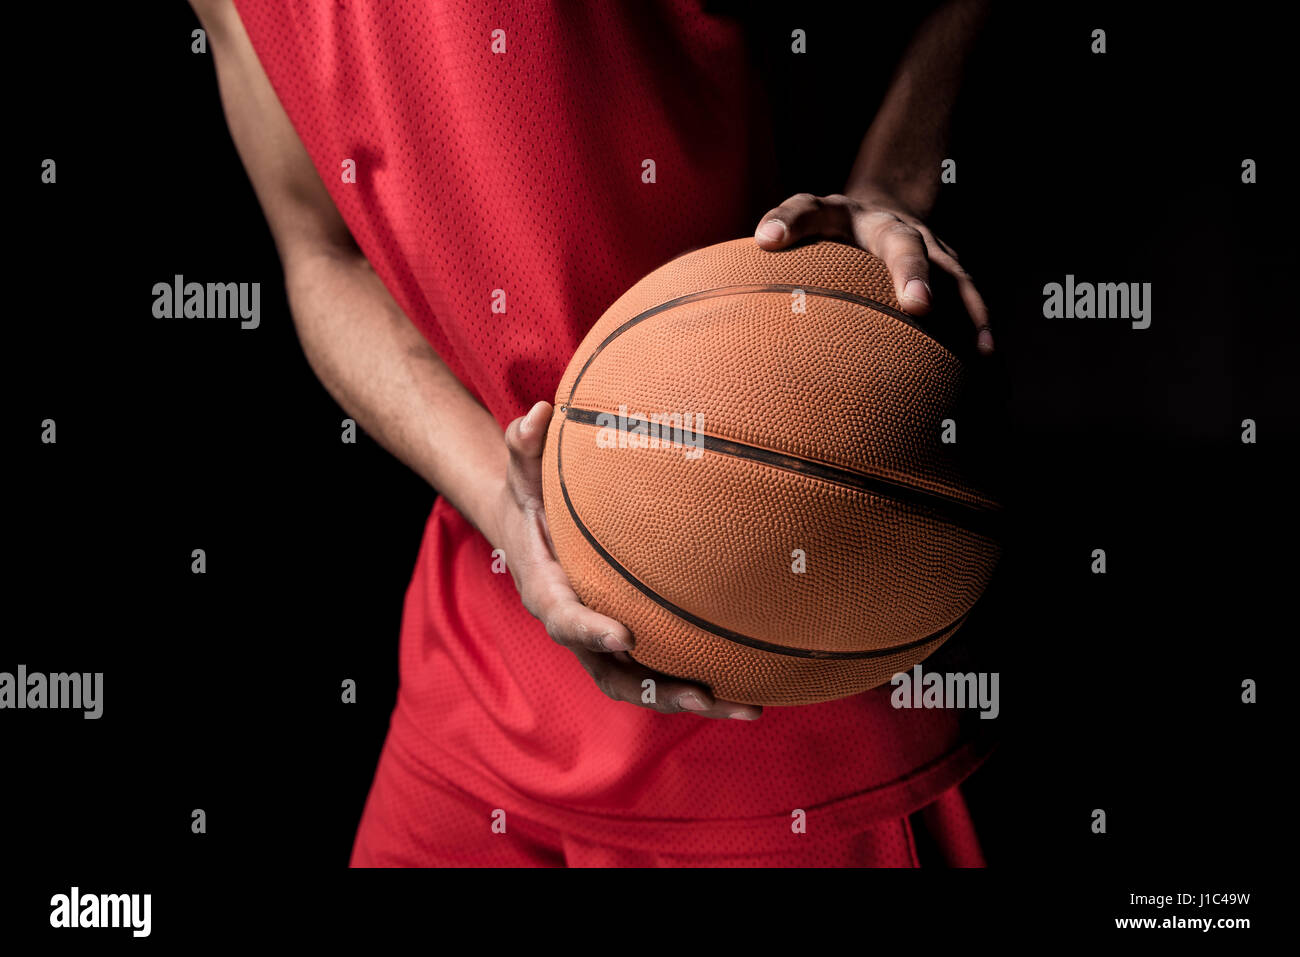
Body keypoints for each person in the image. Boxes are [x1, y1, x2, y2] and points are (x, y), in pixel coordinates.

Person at [190, 0, 994, 866]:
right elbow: (320, 253)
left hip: (791, 662)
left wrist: (888, 192)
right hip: (483, 673)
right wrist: (512, 514)